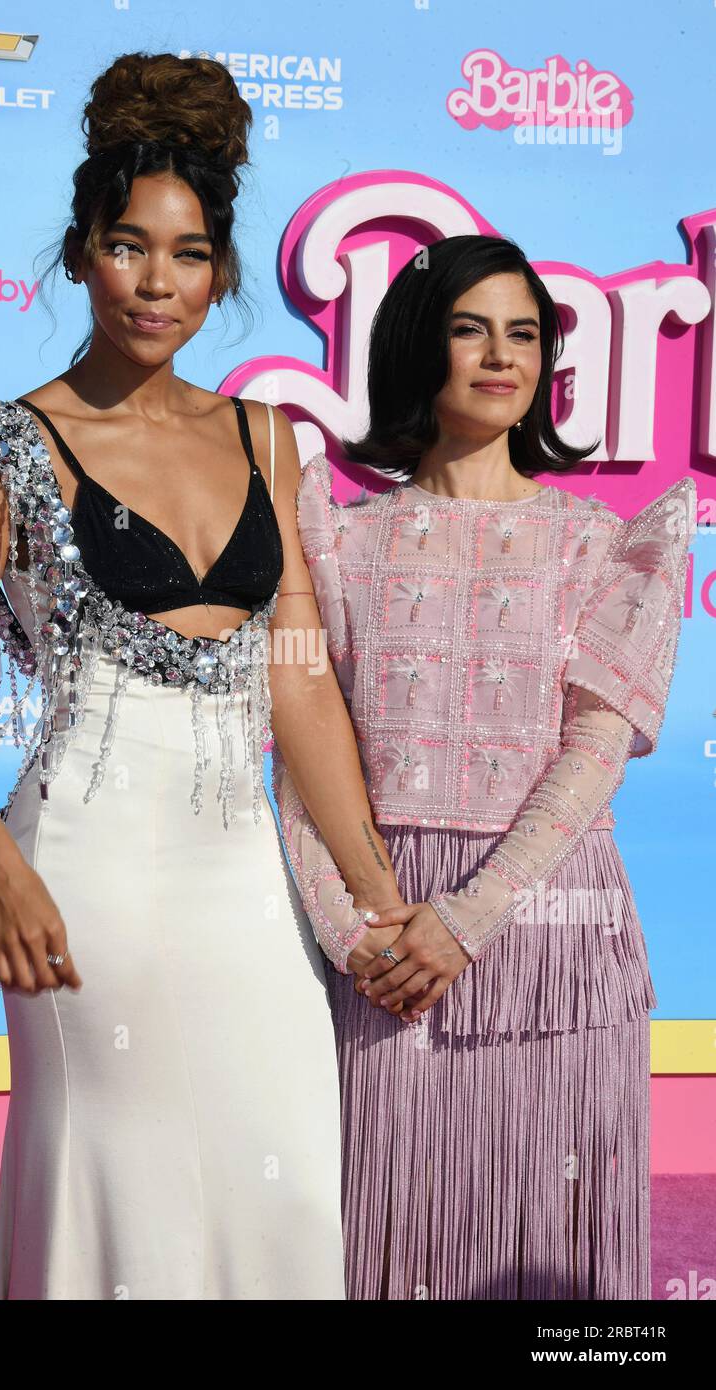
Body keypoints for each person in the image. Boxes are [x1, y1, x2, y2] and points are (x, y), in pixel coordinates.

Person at [0, 51, 418, 1301]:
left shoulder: (262, 437)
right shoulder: (0, 446)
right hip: (83, 868)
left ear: (219, 275)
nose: (154, 282)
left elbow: (297, 685)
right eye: (127, 246)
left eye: (184, 256)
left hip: (244, 876)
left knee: (279, 1172)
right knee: (117, 1185)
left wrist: (373, 889)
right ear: (80, 252)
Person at [272, 234, 696, 1299]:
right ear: (418, 344)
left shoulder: (603, 544)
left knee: (550, 1264)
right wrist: (351, 934)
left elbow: (594, 750)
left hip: (546, 937)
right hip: (381, 945)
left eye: (522, 333)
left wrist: (467, 917)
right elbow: (296, 746)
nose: (499, 356)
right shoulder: (334, 537)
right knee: (378, 1242)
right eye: (469, 328)